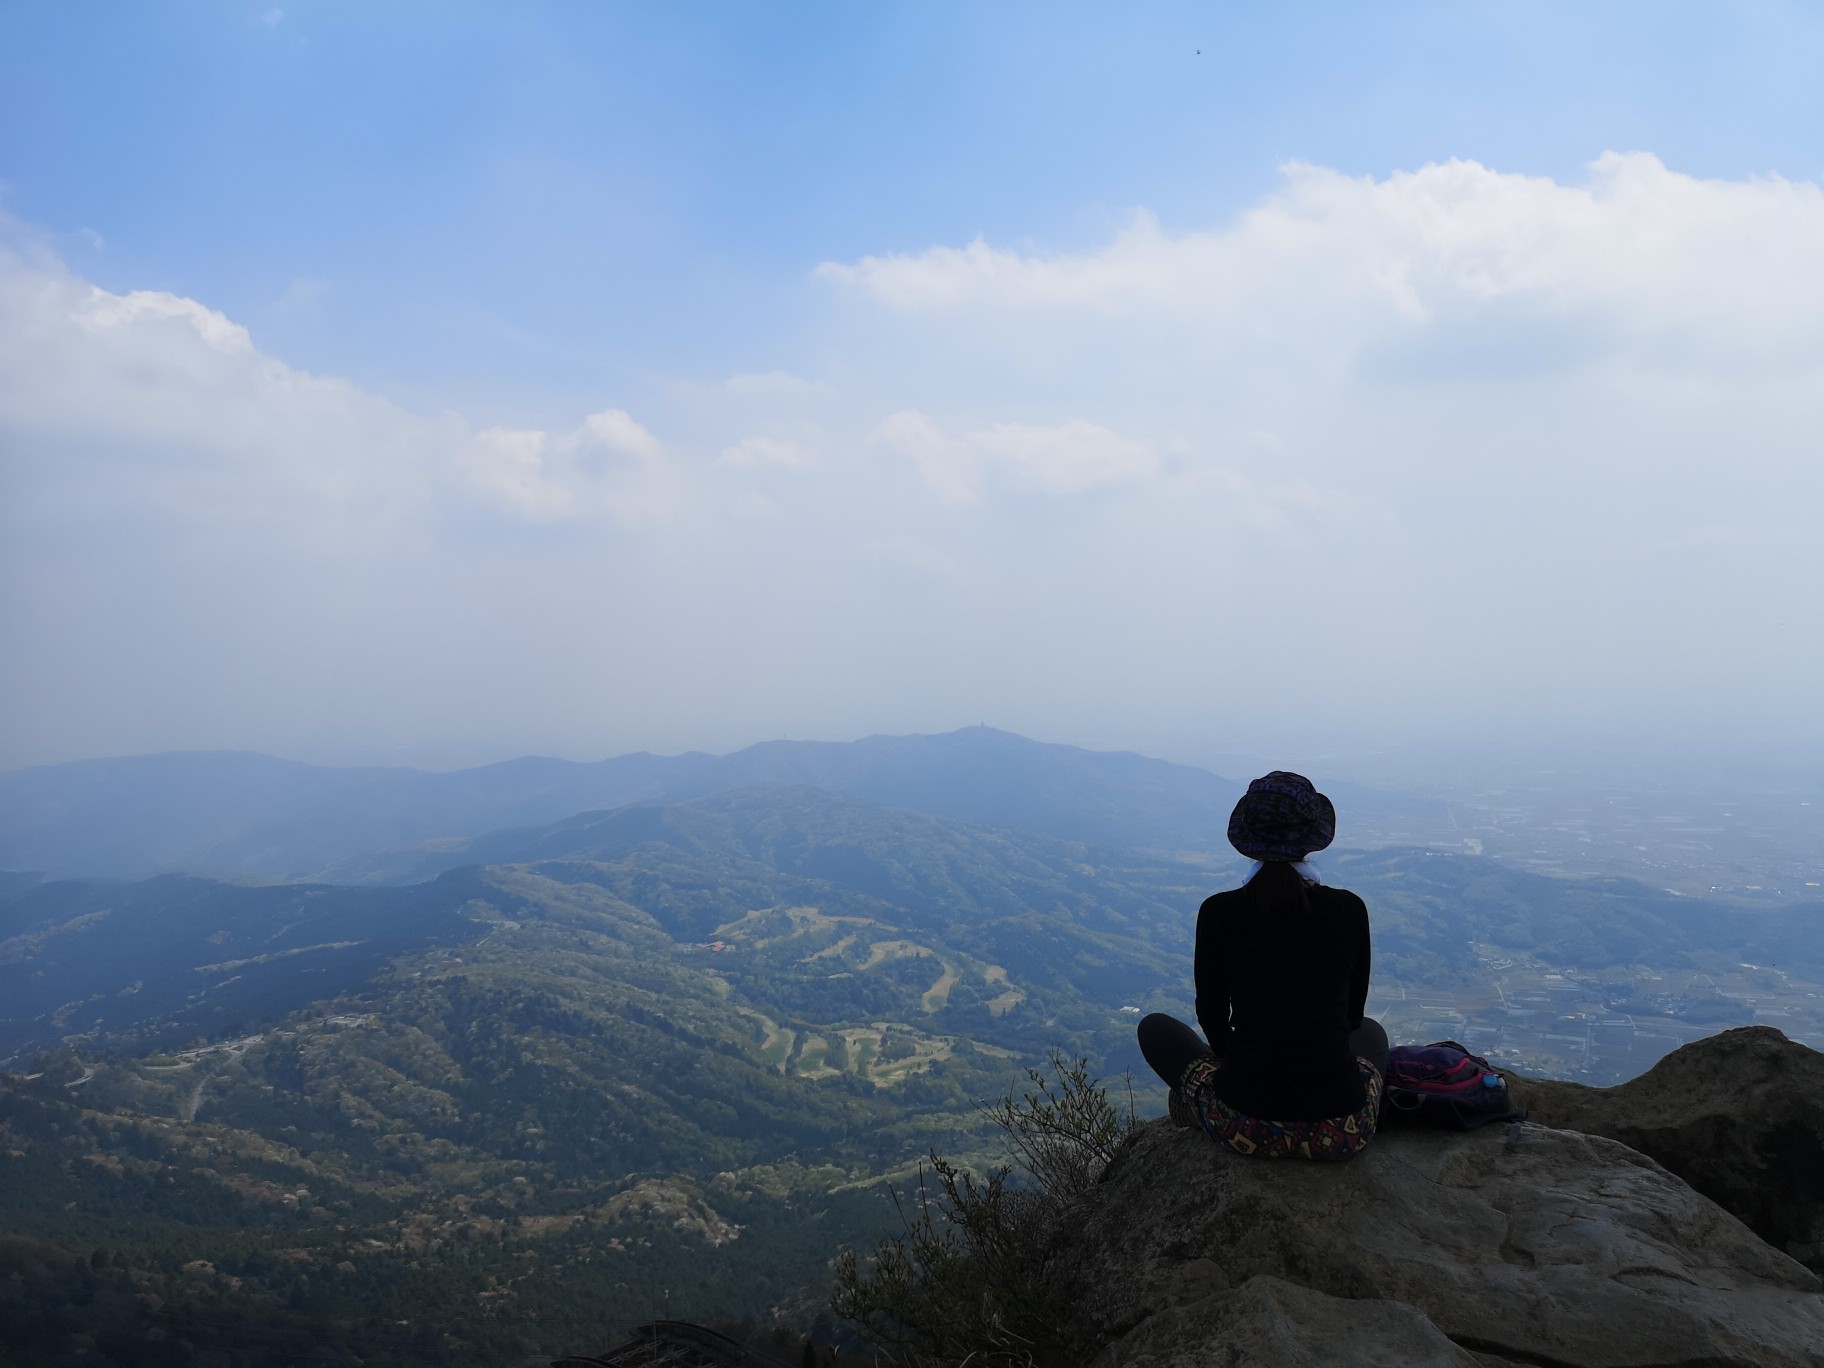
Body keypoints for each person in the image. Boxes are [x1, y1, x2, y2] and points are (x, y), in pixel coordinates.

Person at [1136, 771, 1388, 1161]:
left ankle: (1209, 1102)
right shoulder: (1349, 910)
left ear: (1247, 839)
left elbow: (1212, 1017)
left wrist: (1241, 1061)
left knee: (1154, 1028)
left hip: (1245, 1123)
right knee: (1372, 1033)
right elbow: (1353, 1017)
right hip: (1341, 1128)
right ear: (1313, 838)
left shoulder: (1218, 913)